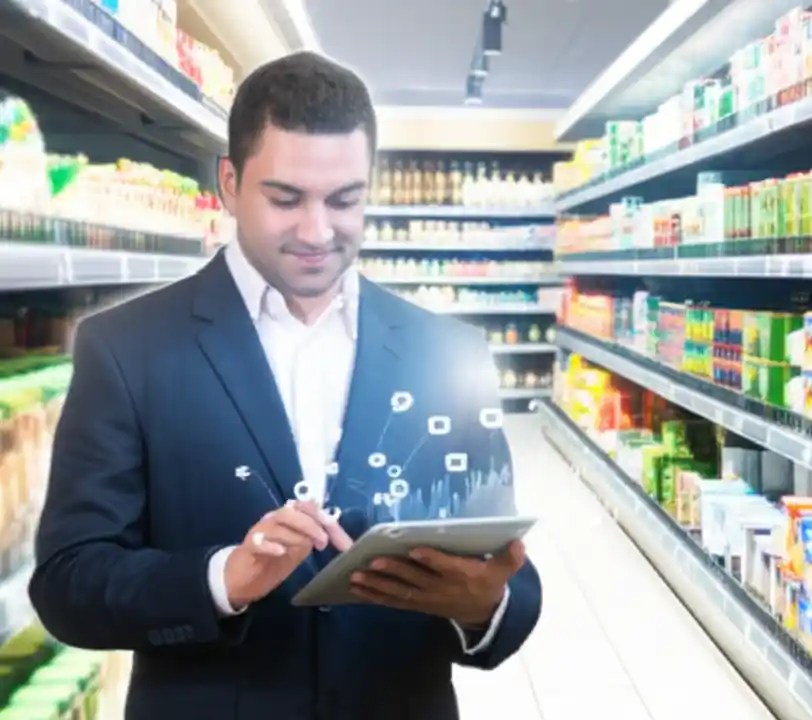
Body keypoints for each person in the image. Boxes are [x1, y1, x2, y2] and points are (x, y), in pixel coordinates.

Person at [28, 51, 541, 720]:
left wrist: (484, 605)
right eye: (285, 198)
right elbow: (69, 583)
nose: (317, 231)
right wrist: (224, 578)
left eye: (344, 200)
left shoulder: (449, 352)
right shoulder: (127, 348)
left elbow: (509, 577)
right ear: (229, 183)